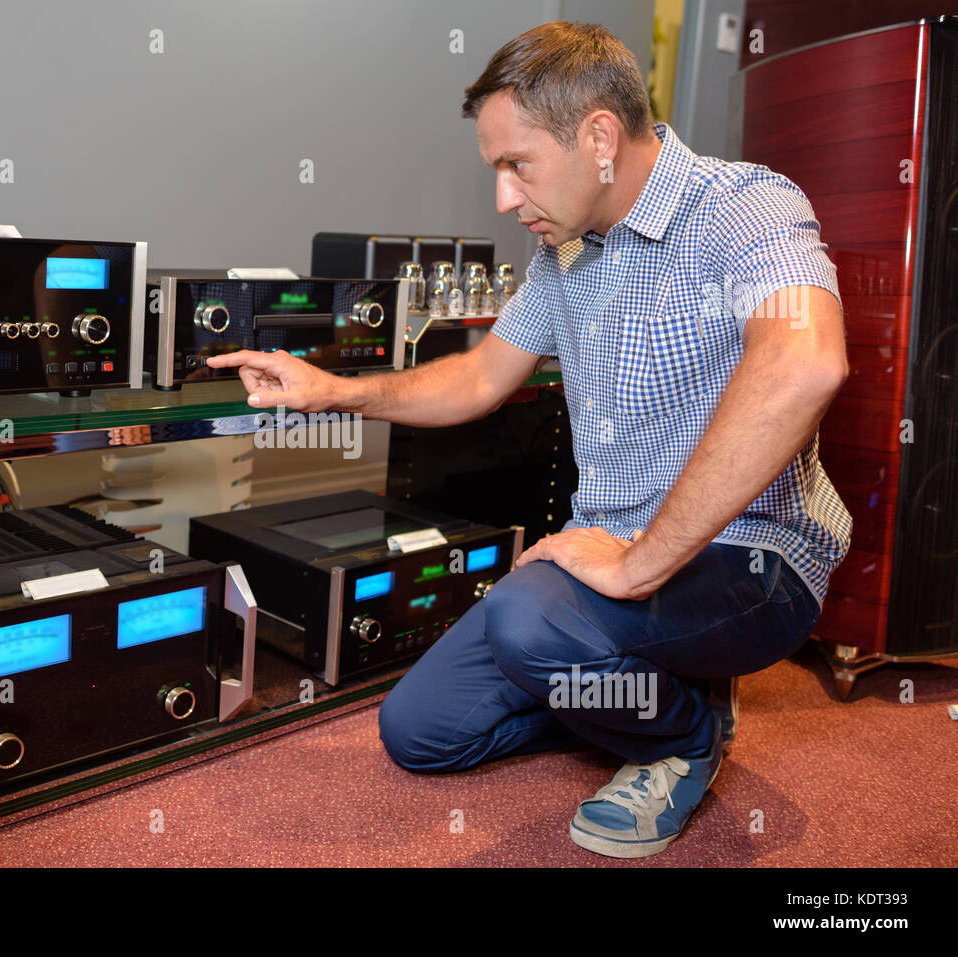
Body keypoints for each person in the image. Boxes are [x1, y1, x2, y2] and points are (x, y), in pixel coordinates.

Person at [205, 20, 851, 859]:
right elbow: (477, 379)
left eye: (516, 165)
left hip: (751, 560)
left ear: (599, 136)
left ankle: (682, 735)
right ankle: (627, 688)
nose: (505, 199)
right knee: (420, 730)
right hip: (609, 553)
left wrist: (638, 561)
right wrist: (333, 391)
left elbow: (805, 364)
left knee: (526, 619)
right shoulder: (565, 257)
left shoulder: (745, 207)